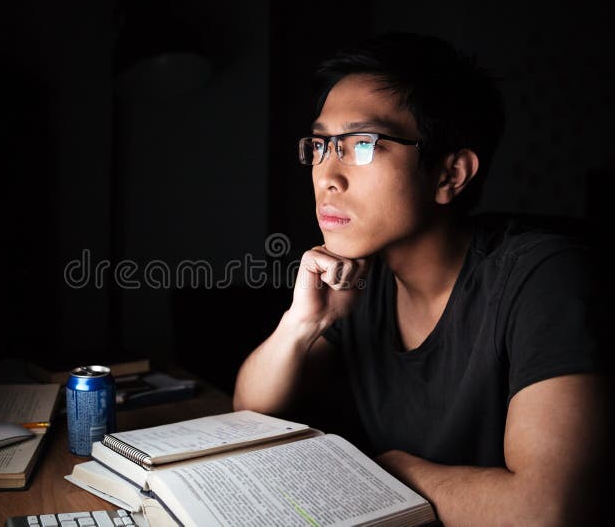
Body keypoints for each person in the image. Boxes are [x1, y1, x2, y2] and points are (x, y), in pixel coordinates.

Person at [233, 32, 608, 525]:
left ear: (450, 174)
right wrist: (301, 323)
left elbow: (546, 509)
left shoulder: (543, 277)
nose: (327, 175)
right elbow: (249, 408)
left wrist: (393, 471)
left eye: (363, 144)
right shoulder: (365, 279)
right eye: (321, 144)